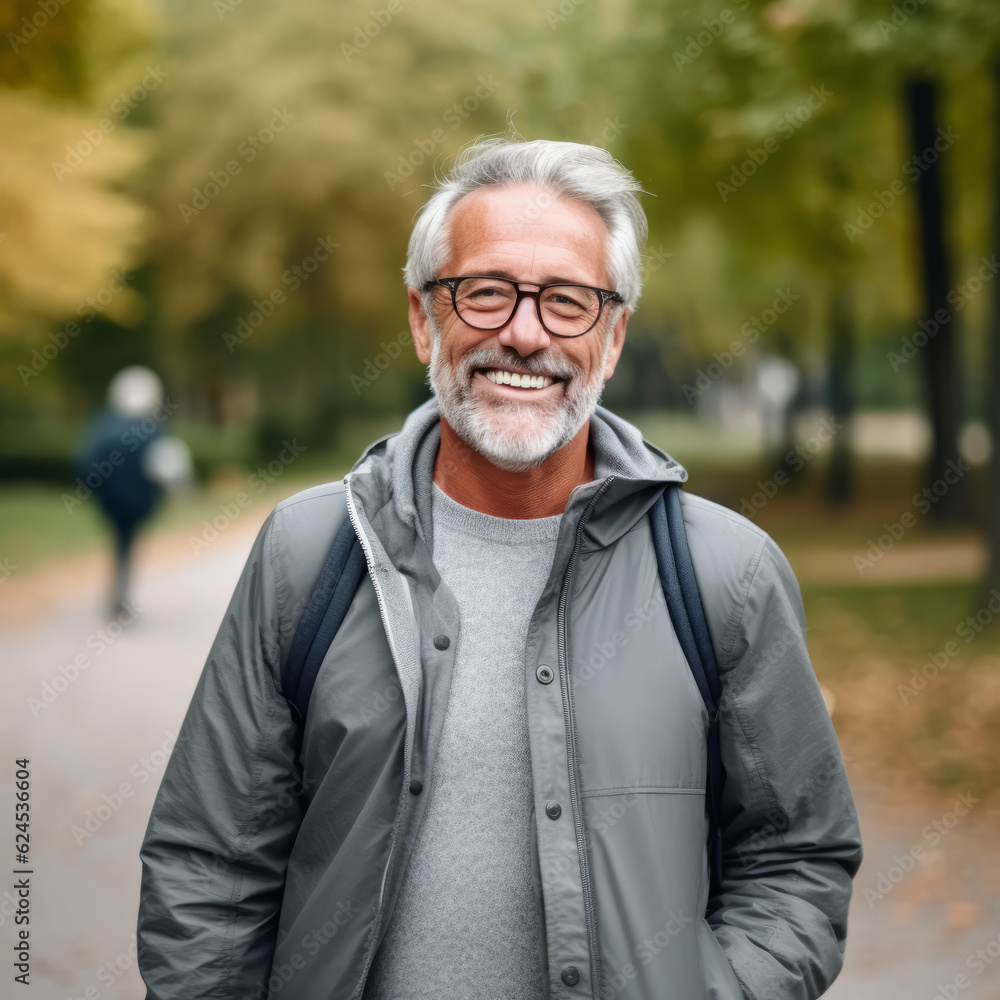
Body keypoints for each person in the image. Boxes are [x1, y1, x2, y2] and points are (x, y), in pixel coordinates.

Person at [137, 139, 862, 1000]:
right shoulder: (310, 557)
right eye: (485, 292)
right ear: (421, 318)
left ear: (614, 335)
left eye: (568, 301)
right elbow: (208, 867)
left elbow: (798, 857)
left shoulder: (722, 573)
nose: (524, 334)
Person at [73, 365, 192, 616]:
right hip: (138, 502)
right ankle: (120, 597)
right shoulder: (153, 430)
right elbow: (167, 469)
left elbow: (86, 465)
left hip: (110, 501)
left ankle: (118, 595)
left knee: (121, 544)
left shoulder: (102, 426)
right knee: (126, 545)